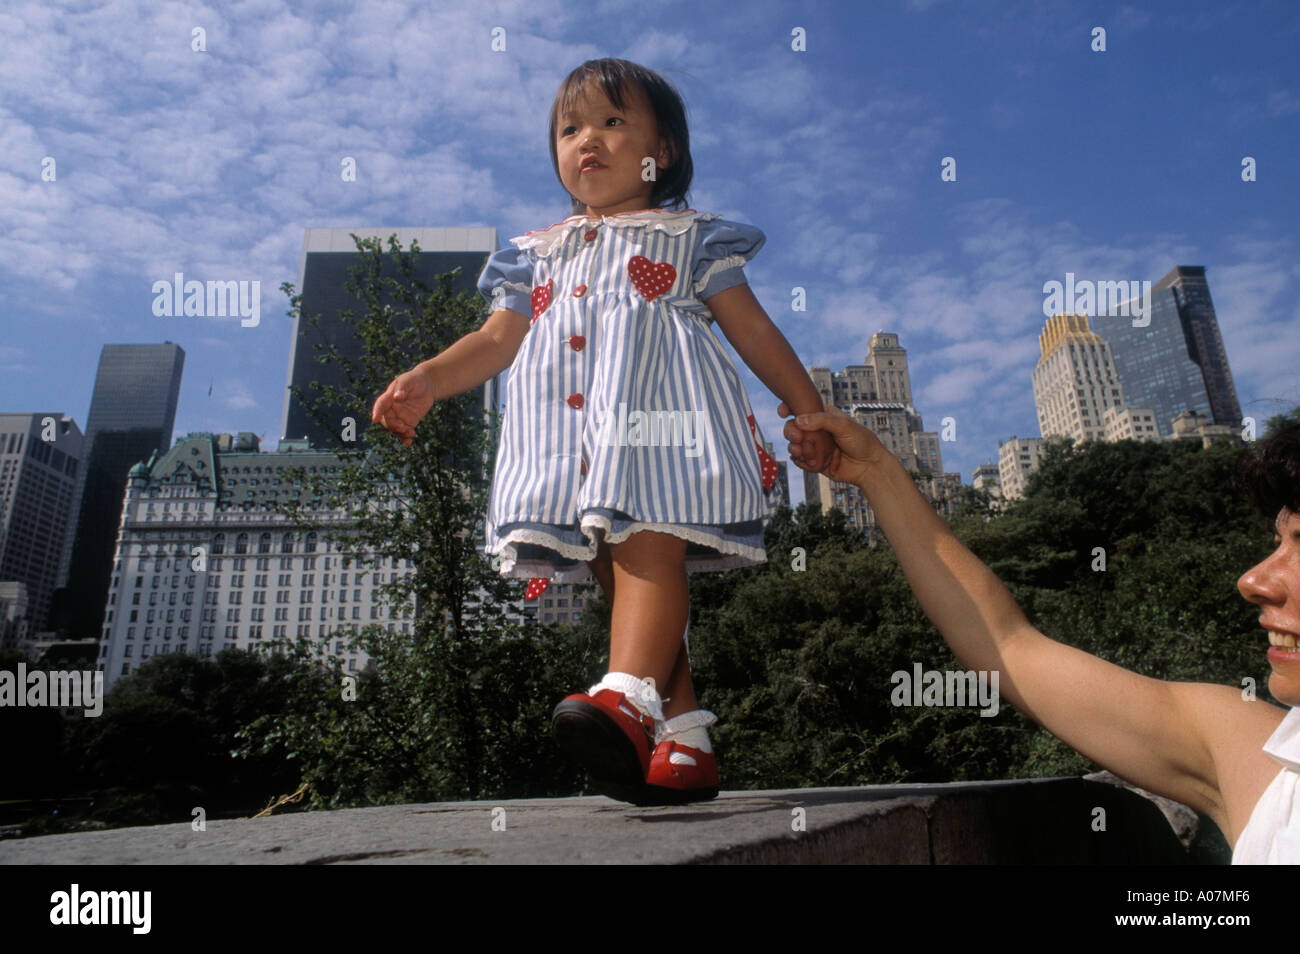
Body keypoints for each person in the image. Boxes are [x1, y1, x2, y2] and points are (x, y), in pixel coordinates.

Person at [371, 58, 834, 805]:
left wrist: (807, 411)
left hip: (660, 420)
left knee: (648, 547)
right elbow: (496, 341)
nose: (587, 139)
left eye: (613, 122)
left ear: (664, 151)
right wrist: (429, 377)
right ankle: (684, 739)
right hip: (574, 443)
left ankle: (626, 697)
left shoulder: (689, 239)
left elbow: (752, 330)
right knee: (620, 573)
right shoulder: (537, 253)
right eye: (569, 128)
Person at [780, 400, 1300, 862]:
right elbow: (1007, 646)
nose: (1252, 581)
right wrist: (877, 472)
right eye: (1277, 543)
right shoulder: (1265, 763)